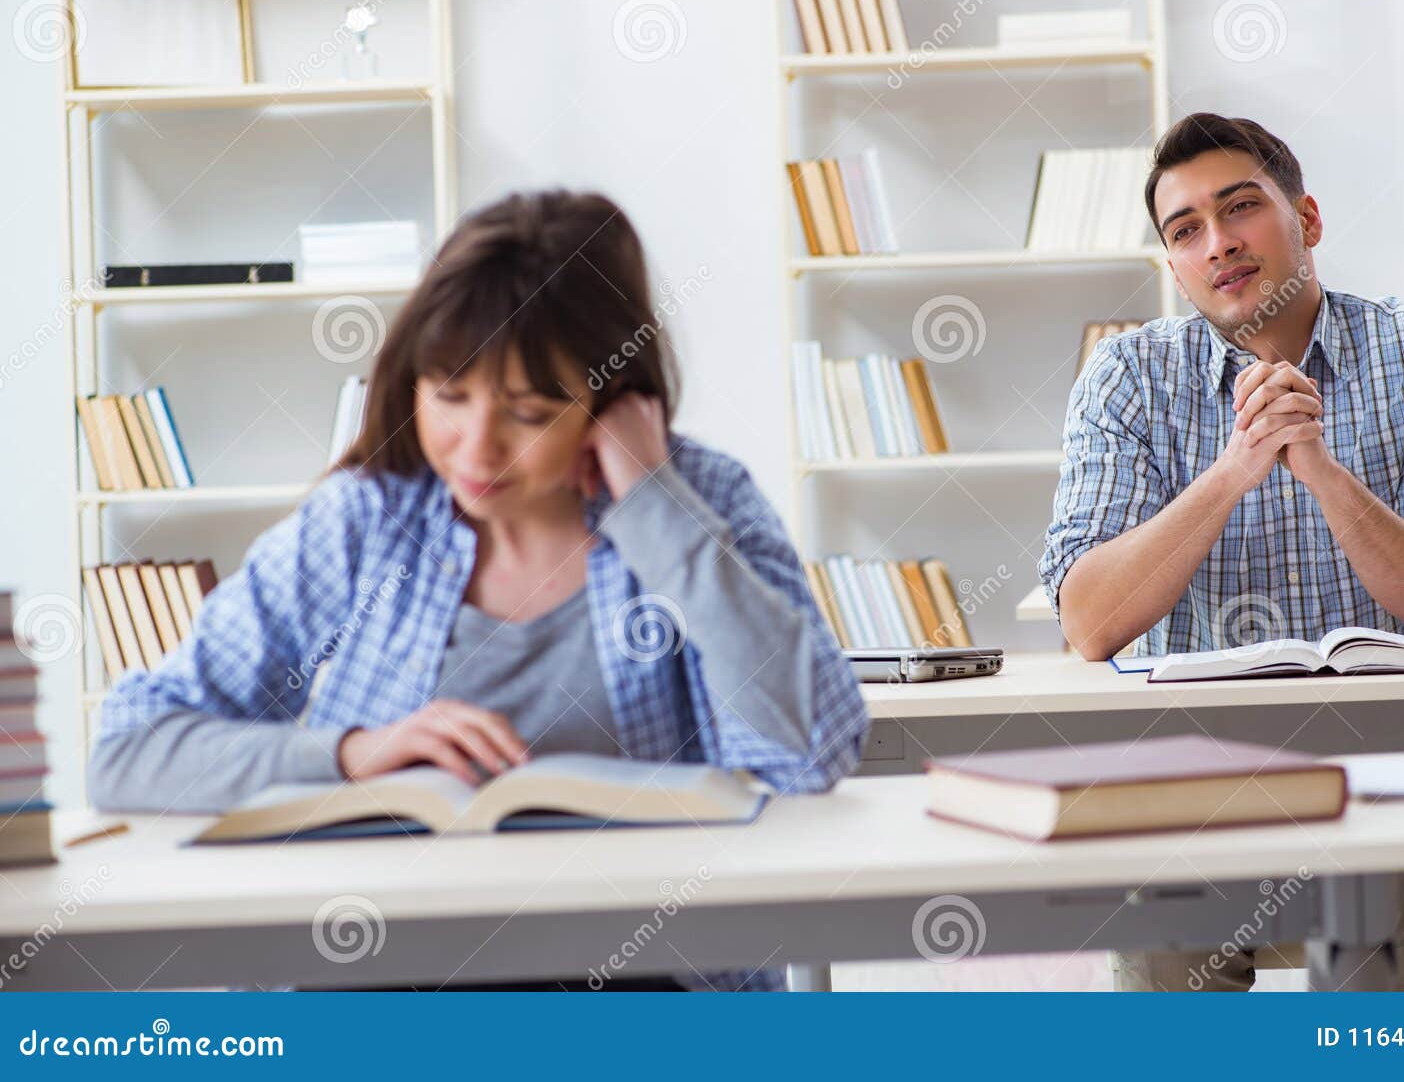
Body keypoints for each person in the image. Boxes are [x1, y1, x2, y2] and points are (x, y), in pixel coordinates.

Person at [90, 189, 869, 991]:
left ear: (611, 401)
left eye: (529, 414)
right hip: (378, 980)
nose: (476, 450)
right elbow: (129, 751)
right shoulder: (367, 518)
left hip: (642, 984)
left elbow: (808, 755)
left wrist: (654, 509)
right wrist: (353, 755)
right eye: (449, 396)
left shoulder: (699, 499)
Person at [1039, 113, 1404, 991]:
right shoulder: (1127, 375)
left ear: (1309, 221)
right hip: (1196, 774)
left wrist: (1320, 470)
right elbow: (1090, 625)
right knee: (1158, 938)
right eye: (1186, 232)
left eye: (1241, 208)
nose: (1218, 244)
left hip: (1398, 768)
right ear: (1174, 265)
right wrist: (1231, 473)